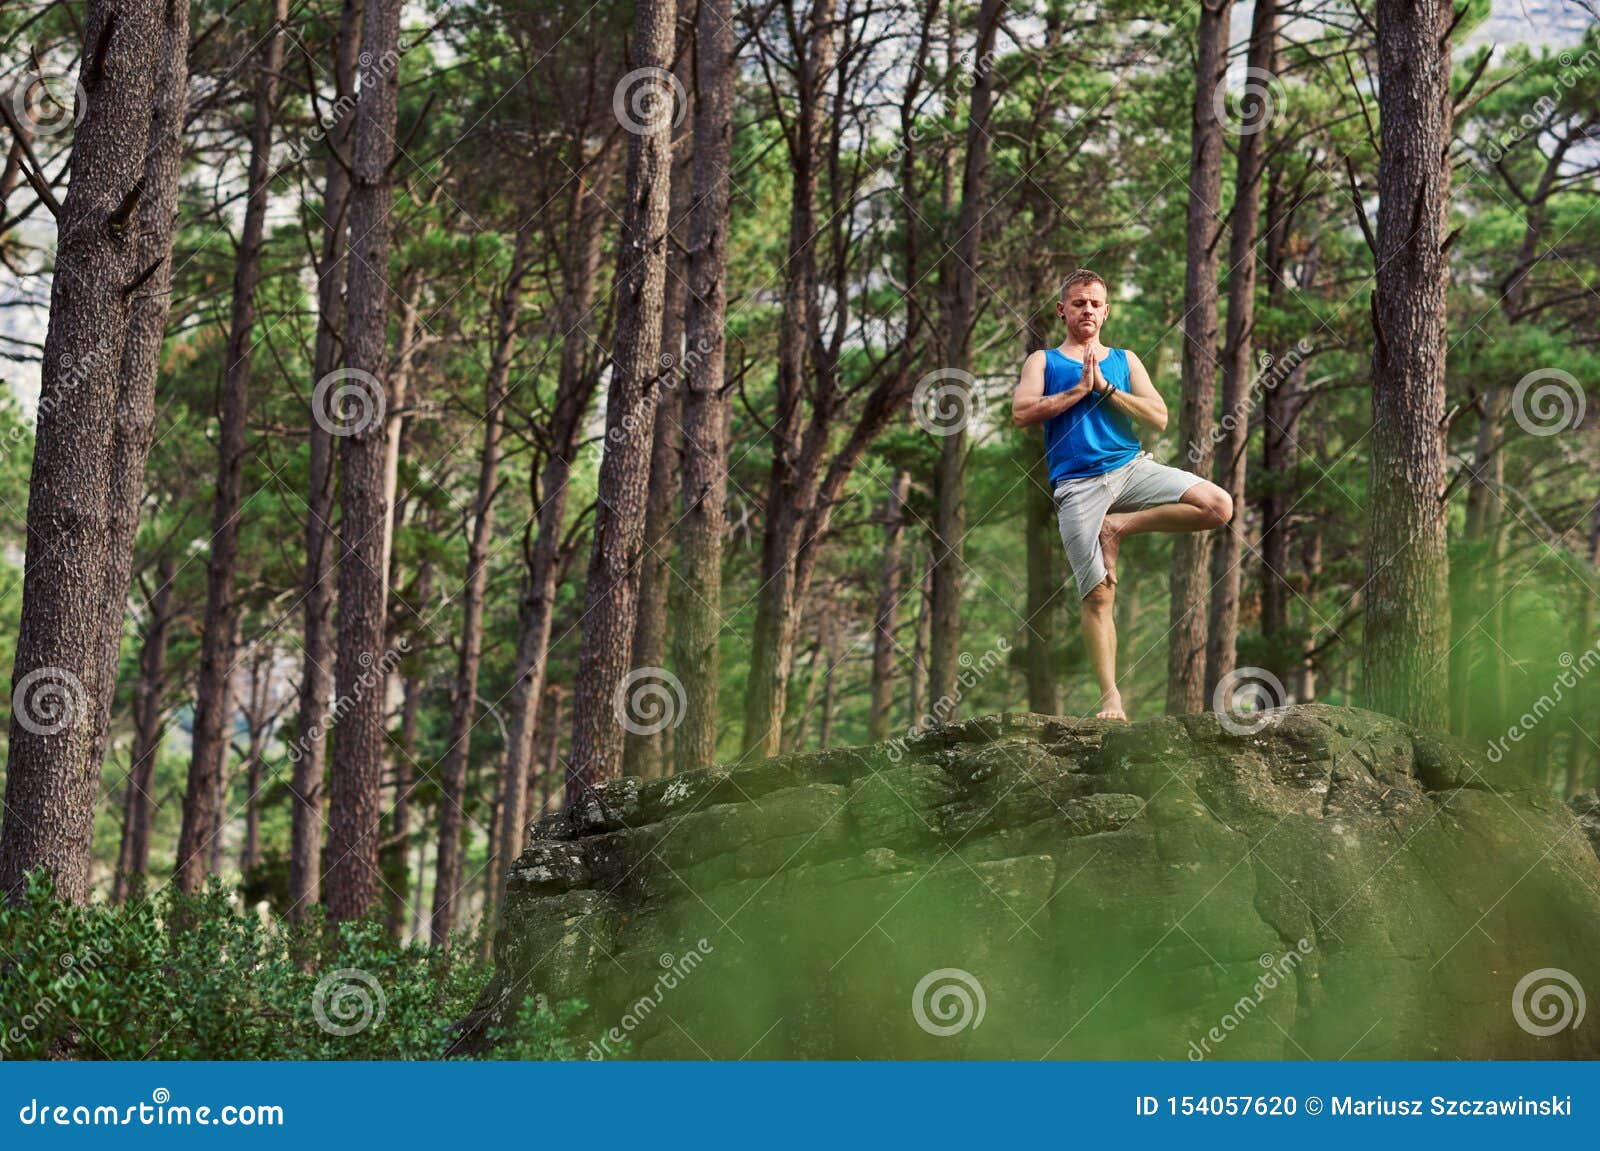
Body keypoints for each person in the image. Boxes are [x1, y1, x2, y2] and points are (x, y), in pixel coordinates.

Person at [1011, 269, 1232, 721]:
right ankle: (1111, 698)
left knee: (1217, 505)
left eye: (1095, 303)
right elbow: (1021, 413)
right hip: (1077, 485)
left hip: (1131, 469)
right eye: (1078, 303)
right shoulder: (1043, 361)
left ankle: (1119, 526)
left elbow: (1159, 417)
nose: (1087, 310)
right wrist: (1077, 390)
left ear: (1106, 311)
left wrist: (1107, 389)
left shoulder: (1125, 360)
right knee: (1097, 596)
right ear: (1062, 310)